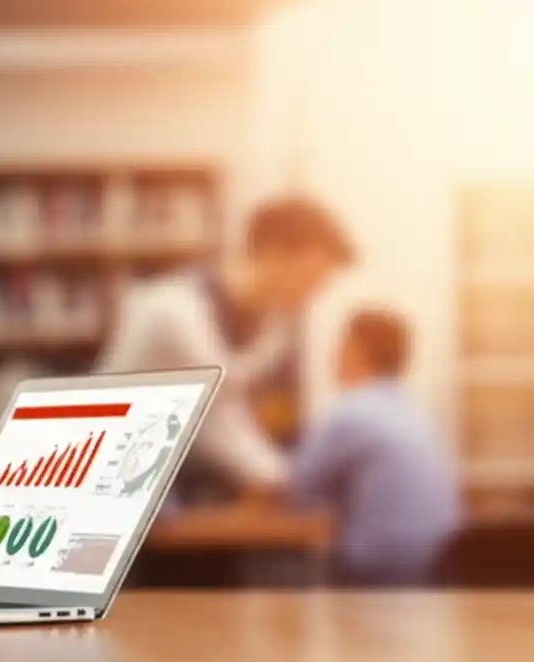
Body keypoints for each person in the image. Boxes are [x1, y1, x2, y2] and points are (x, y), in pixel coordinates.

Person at [97, 196, 353, 501]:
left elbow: (227, 412)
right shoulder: (173, 308)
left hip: (158, 464)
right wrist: (286, 478)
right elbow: (220, 408)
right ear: (272, 252)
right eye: (310, 277)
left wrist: (283, 476)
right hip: (106, 467)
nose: (311, 295)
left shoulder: (266, 323)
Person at [292, 309, 459, 586]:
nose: (332, 356)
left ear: (354, 352)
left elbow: (297, 492)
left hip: (379, 566)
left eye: (339, 346)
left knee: (277, 569)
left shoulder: (350, 413)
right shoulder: (417, 414)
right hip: (438, 564)